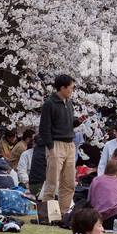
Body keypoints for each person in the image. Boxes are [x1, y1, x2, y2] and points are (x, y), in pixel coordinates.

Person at [37, 74, 78, 214]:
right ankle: (47, 214)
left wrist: (77, 122)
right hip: (56, 144)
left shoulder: (69, 102)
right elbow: (44, 128)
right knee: (52, 182)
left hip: (70, 144)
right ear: (62, 88)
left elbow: (68, 124)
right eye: (71, 88)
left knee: (69, 183)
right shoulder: (50, 103)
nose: (72, 90)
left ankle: (63, 212)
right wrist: (51, 147)